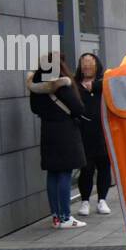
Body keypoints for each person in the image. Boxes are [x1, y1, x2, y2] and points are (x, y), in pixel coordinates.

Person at [27, 54, 87, 229]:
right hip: (65, 133)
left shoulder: (35, 86)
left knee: (52, 174)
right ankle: (66, 217)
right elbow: (78, 108)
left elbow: (34, 108)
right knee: (65, 174)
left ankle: (56, 217)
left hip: (48, 132)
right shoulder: (63, 84)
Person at [72, 52, 112, 216]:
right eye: (84, 63)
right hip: (83, 133)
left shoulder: (104, 83)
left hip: (103, 132)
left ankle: (102, 200)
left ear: (96, 65)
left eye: (90, 63)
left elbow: (111, 87)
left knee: (104, 166)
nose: (87, 66)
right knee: (86, 168)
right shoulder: (75, 85)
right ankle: (85, 201)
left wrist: (94, 87)